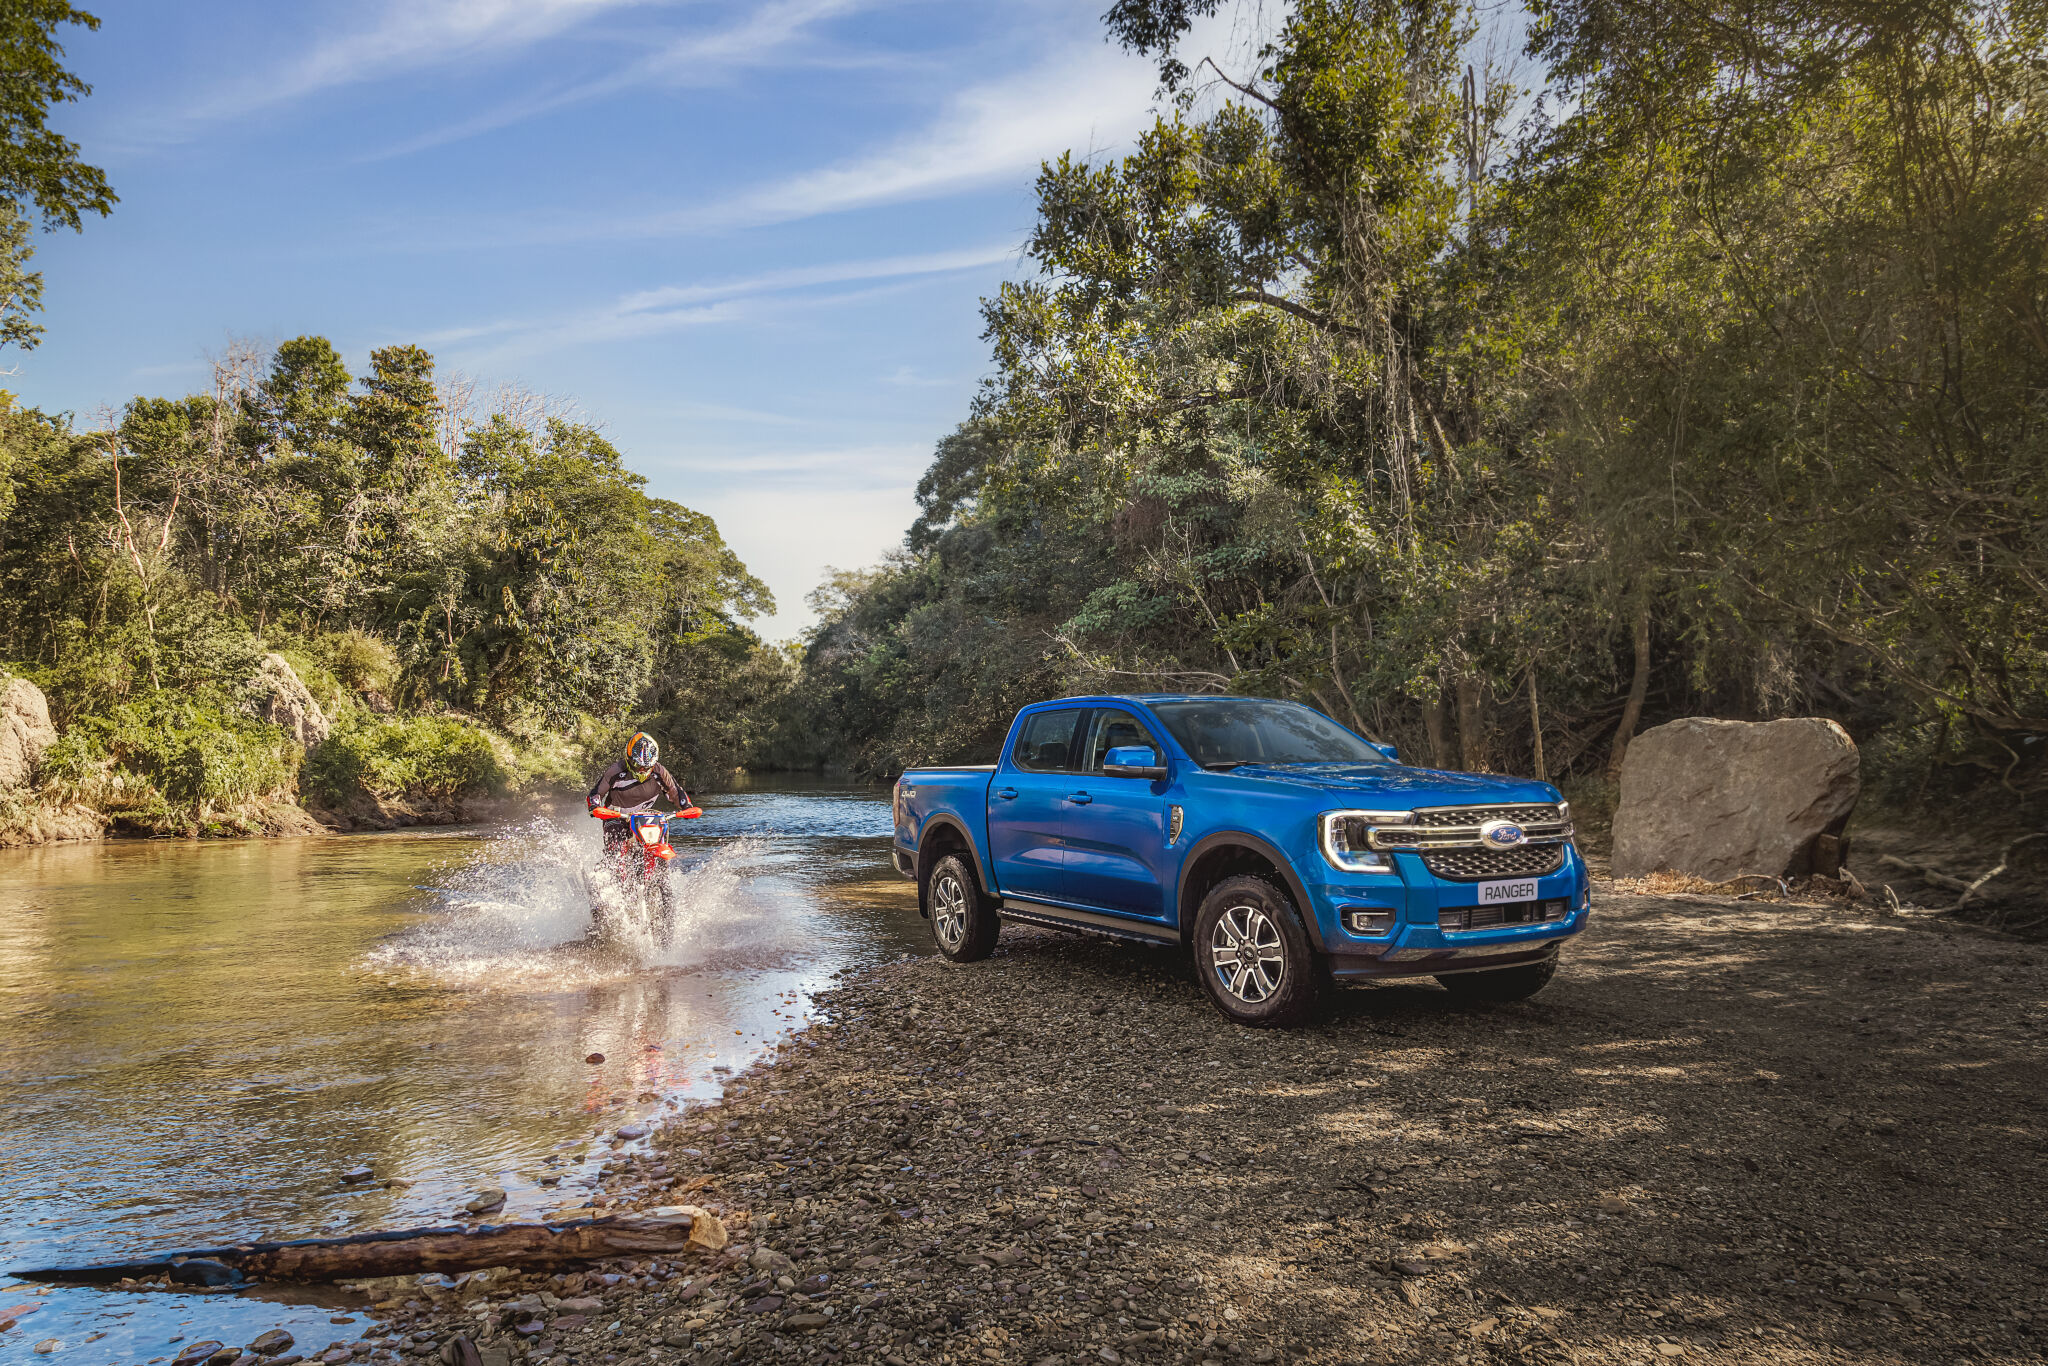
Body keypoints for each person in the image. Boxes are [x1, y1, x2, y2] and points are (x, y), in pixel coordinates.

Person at [587, 732, 689, 855]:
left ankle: (660, 868)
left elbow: (675, 792)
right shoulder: (616, 770)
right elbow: (596, 793)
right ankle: (609, 870)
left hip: (645, 817)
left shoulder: (659, 772)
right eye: (637, 765)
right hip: (616, 816)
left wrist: (686, 807)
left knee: (658, 841)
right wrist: (594, 806)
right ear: (629, 759)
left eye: (646, 767)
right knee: (616, 848)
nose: (642, 770)